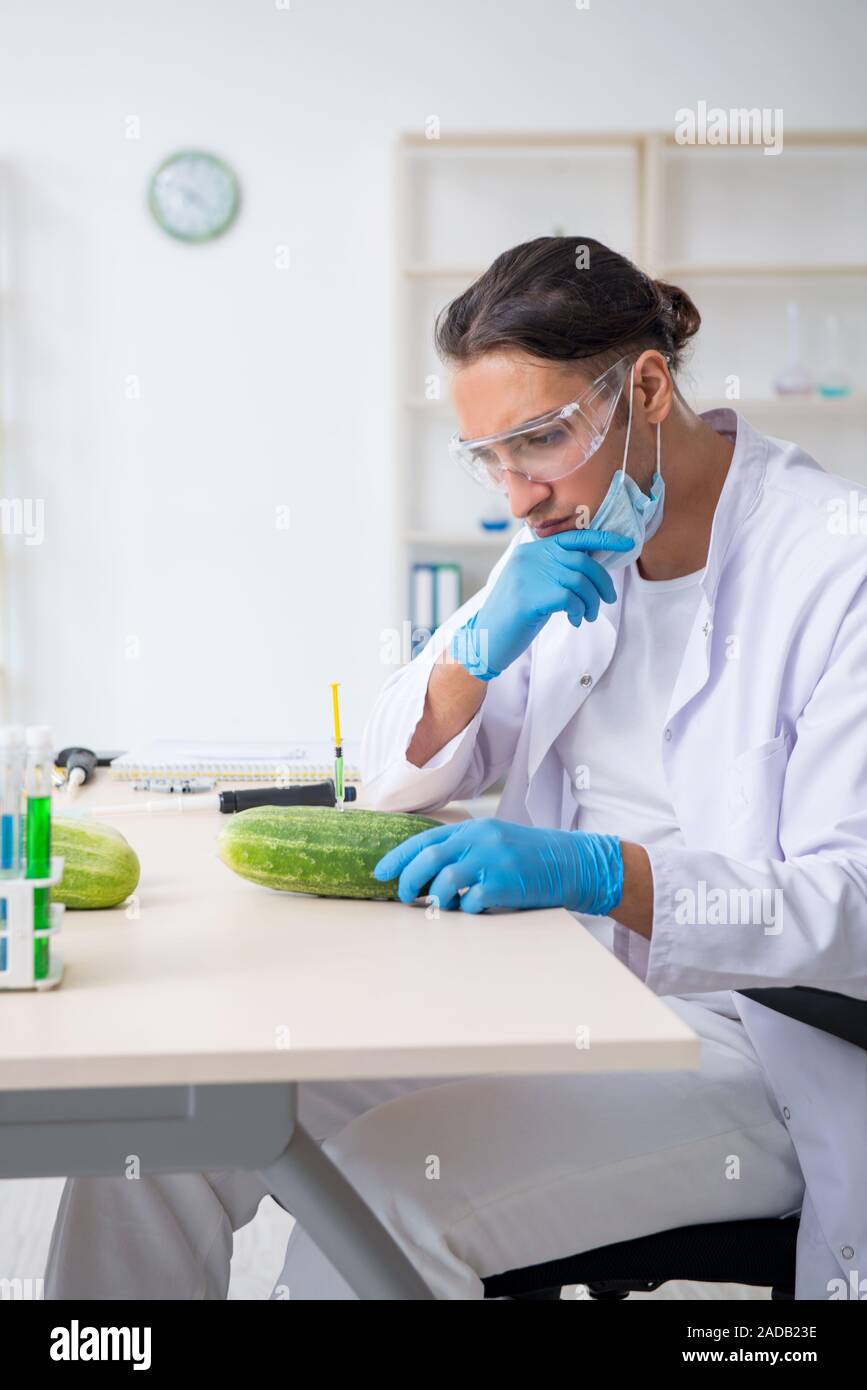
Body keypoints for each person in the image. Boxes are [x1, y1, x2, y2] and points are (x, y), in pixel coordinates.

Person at [46, 237, 867, 1300]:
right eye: (486, 456)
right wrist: (472, 659)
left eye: (538, 439)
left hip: (749, 1044)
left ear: (649, 389)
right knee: (163, 1119)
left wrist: (597, 871)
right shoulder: (571, 538)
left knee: (380, 1203)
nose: (514, 495)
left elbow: (848, 906)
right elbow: (396, 769)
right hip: (542, 995)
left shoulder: (833, 565)